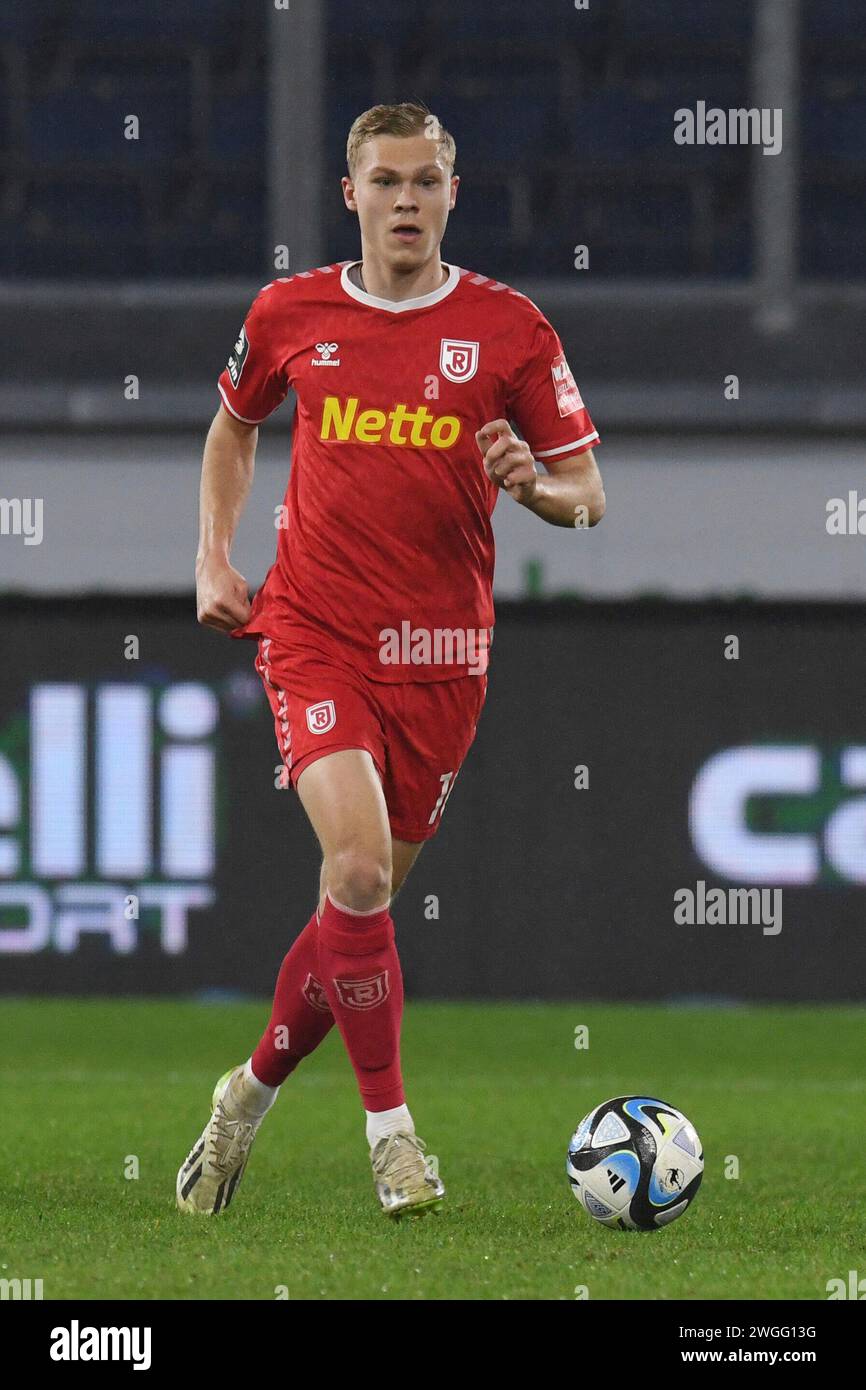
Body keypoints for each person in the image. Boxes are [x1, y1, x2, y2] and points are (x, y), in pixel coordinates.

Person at [178, 101, 605, 1219]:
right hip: (313, 631)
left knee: (349, 913)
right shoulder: (289, 312)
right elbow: (234, 422)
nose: (405, 201)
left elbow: (587, 496)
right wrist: (214, 556)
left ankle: (245, 1096)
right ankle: (394, 1138)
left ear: (452, 195)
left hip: (442, 657)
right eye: (385, 181)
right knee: (359, 872)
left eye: (425, 182)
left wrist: (531, 488)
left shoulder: (510, 330)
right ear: (350, 194)